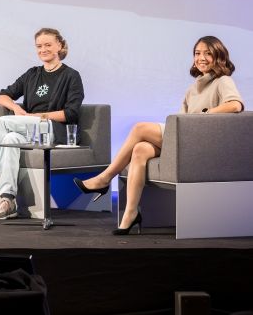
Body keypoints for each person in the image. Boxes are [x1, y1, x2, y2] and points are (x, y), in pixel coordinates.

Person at [75, 35, 244, 235]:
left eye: (208, 53)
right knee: (140, 149)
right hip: (184, 137)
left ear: (219, 56)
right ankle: (130, 214)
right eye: (197, 53)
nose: (202, 58)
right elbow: (181, 119)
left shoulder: (223, 80)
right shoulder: (193, 88)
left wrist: (204, 115)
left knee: (139, 128)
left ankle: (105, 178)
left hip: (200, 143)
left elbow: (235, 104)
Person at [0, 27, 84, 220]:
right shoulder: (32, 74)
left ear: (59, 45)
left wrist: (38, 116)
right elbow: (3, 95)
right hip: (30, 128)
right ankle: (7, 200)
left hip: (53, 129)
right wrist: (17, 110)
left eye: (48, 45)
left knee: (3, 122)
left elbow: (70, 113)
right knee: (10, 138)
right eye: (39, 46)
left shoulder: (71, 76)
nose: (43, 49)